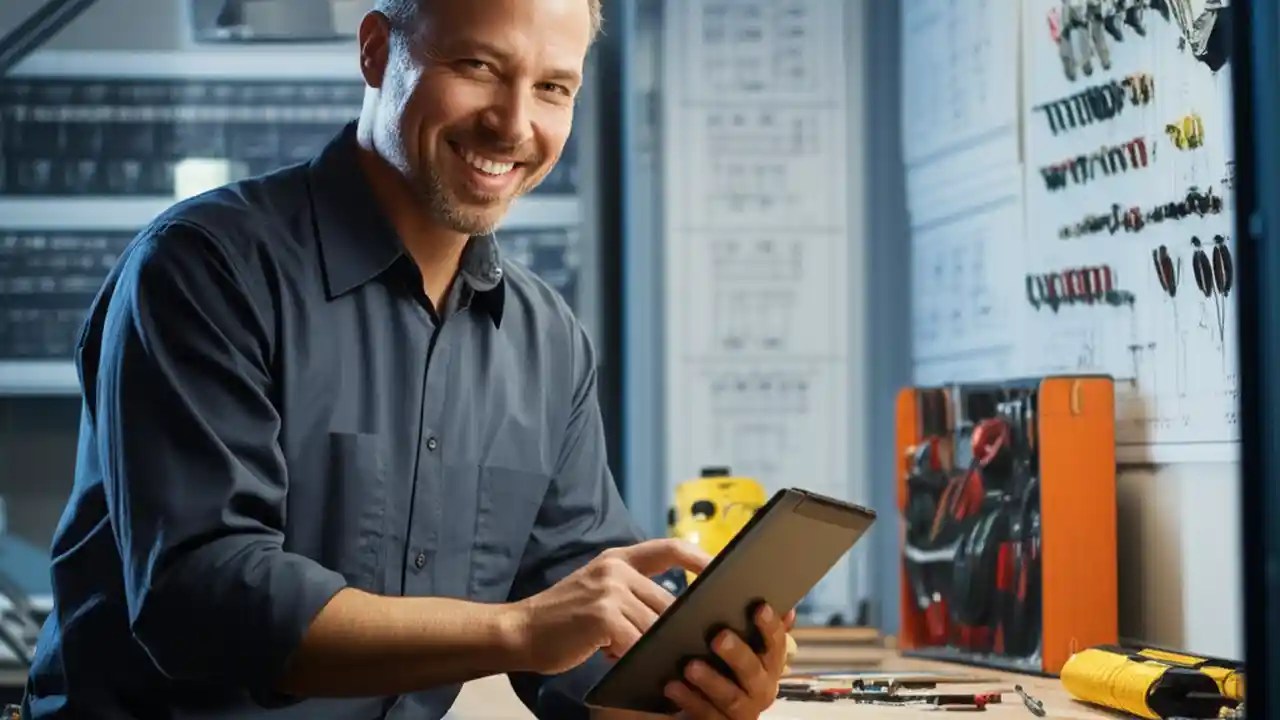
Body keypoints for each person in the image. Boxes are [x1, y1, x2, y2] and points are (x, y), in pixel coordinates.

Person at [21, 0, 796, 718]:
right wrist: (520, 628)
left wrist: (693, 686)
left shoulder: (548, 341)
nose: (513, 124)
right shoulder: (203, 270)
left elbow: (577, 644)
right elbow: (204, 600)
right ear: (376, 50)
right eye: (479, 68)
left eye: (554, 87)